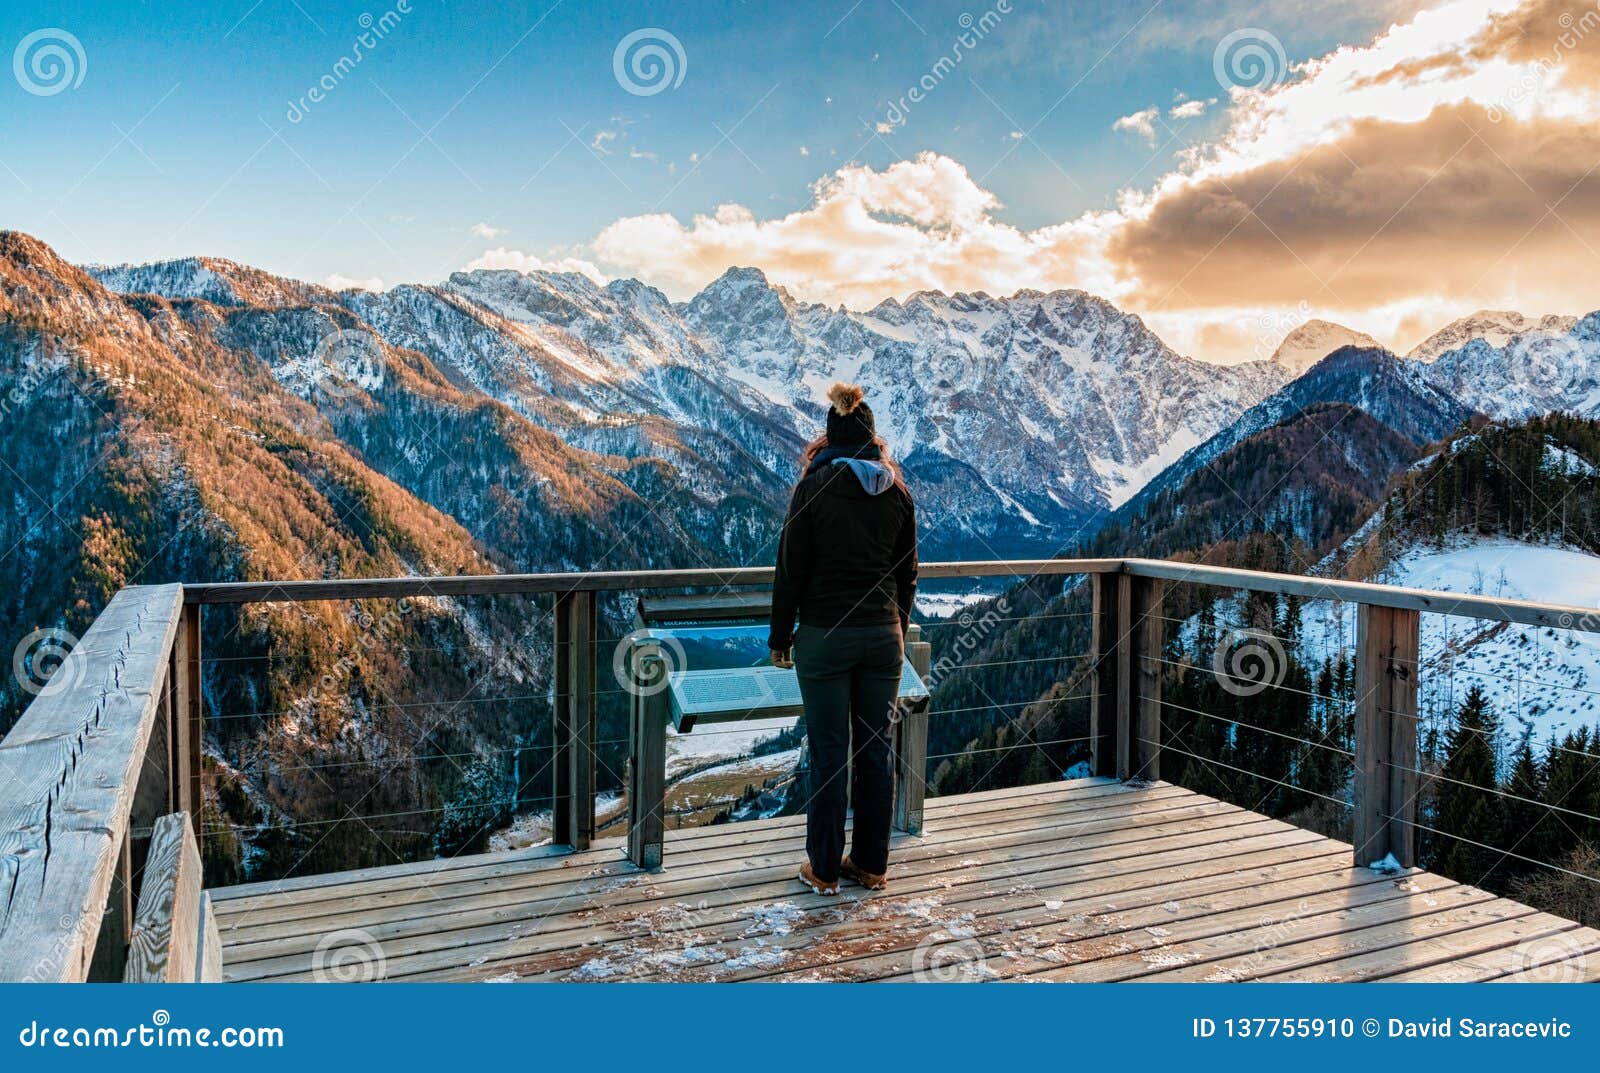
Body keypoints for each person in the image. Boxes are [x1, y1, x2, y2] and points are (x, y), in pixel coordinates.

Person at [768, 382, 918, 895]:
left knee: (830, 752)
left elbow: (789, 570)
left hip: (825, 637)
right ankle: (872, 865)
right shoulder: (898, 493)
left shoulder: (814, 489)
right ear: (872, 439)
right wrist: (895, 626)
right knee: (876, 749)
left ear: (829, 438)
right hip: (884, 639)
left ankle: (825, 869)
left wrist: (780, 636)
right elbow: (907, 575)